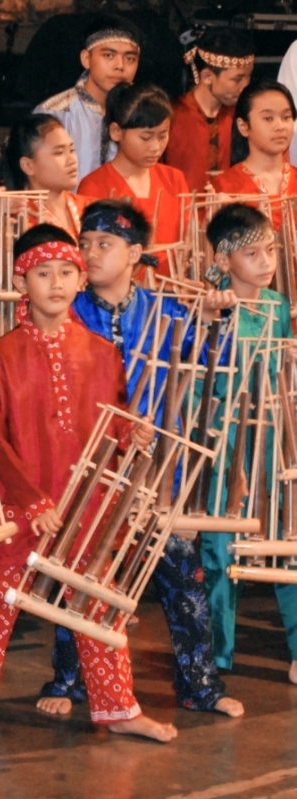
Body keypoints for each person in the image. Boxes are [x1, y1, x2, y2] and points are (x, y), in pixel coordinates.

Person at [0, 223, 177, 754]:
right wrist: (30, 502)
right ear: (21, 280)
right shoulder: (0, 355)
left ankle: (119, 708)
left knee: (97, 608)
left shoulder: (101, 351)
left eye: (66, 272)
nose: (56, 283)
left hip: (83, 506)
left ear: (81, 278)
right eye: (43, 273)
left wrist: (131, 431)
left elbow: (112, 418)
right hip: (21, 506)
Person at [35, 200, 243, 719]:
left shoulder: (169, 310)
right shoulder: (68, 312)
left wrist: (218, 319)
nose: (90, 253)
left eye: (104, 244)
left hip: (158, 472)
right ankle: (68, 681)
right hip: (92, 464)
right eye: (84, 243)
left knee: (181, 577)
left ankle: (201, 686)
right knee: (80, 575)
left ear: (135, 254)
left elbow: (217, 360)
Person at [198, 203, 297, 686]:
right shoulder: (212, 304)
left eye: (270, 250)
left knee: (287, 537)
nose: (265, 261)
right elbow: (202, 378)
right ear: (224, 260)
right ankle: (217, 655)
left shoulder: (277, 306)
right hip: (227, 433)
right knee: (221, 542)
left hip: (273, 432)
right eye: (251, 253)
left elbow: (280, 369)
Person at [78, 83, 188, 277]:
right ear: (116, 132)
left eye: (163, 135)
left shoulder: (174, 179)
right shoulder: (95, 185)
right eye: (146, 138)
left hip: (173, 294)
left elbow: (189, 243)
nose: (156, 147)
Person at [35, 15, 142, 185]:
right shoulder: (55, 113)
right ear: (86, 59)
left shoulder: (141, 113)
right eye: (108, 55)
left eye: (130, 59)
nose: (120, 66)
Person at [162, 30, 254, 192]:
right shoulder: (172, 116)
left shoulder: (244, 115)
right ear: (207, 76)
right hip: (182, 212)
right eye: (237, 79)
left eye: (249, 77)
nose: (245, 86)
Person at [213, 80, 297, 232]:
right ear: (243, 127)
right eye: (268, 118)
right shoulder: (226, 187)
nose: (280, 126)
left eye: (286, 117)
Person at [0, 113, 93, 238]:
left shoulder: (90, 208)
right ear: (28, 165)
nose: (72, 160)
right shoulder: (18, 216)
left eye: (72, 150)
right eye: (59, 152)